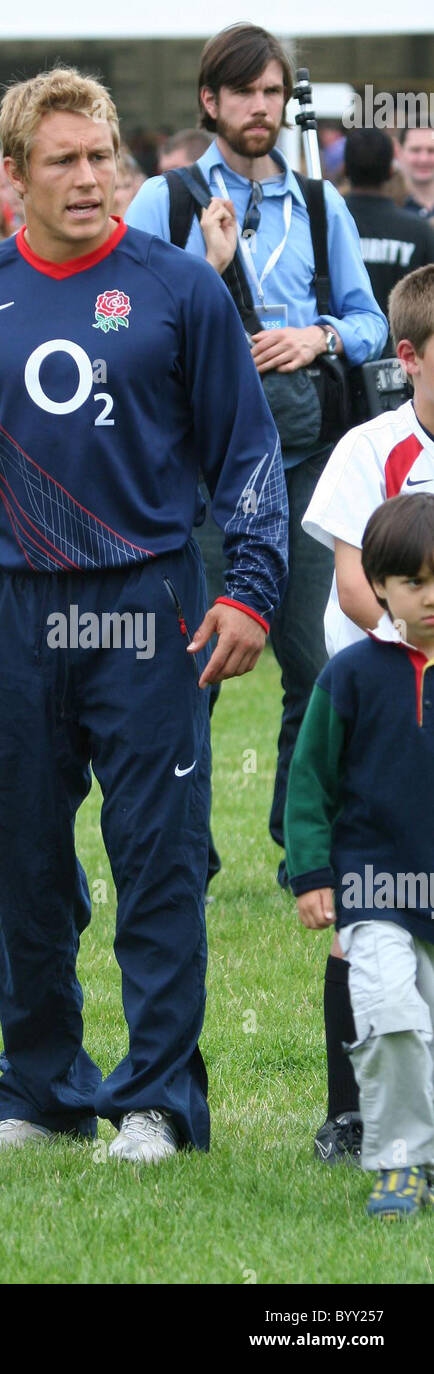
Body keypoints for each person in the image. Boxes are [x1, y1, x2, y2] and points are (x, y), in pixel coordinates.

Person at [0, 66, 288, 1163]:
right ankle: (39, 1093)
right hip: (11, 610)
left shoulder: (178, 289)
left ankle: (157, 1098)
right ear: (10, 174)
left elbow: (247, 451)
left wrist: (250, 587)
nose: (88, 178)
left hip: (148, 603)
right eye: (61, 160)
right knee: (20, 858)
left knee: (158, 855)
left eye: (101, 155)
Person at [125, 22, 387, 889]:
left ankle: (301, 849)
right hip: (195, 473)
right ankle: (184, 854)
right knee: (189, 668)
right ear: (211, 102)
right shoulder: (164, 203)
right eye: (245, 95)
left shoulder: (321, 203)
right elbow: (122, 318)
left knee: (317, 660)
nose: (262, 110)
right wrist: (208, 267)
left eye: (273, 94)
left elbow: (369, 319)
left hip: (306, 457)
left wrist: (317, 337)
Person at [301, 262, 434, 1163]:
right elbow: (356, 580)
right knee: (371, 893)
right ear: (409, 357)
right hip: (378, 688)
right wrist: (407, 636)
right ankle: (353, 1111)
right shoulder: (370, 448)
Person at [286, 491, 434, 1219]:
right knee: (389, 1015)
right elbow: (308, 782)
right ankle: (401, 1163)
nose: (431, 598)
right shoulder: (348, 677)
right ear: (378, 586)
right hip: (375, 892)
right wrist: (313, 874)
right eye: (415, 583)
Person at [344, 128, 434, 349]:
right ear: (392, 169)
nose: (424, 157)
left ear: (345, 168)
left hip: (344, 349)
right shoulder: (418, 230)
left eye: (430, 150)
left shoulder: (323, 222)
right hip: (403, 356)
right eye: (416, 150)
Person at [398, 125, 434, 221]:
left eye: (431, 150)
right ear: (400, 153)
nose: (423, 159)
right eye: (415, 150)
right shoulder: (387, 204)